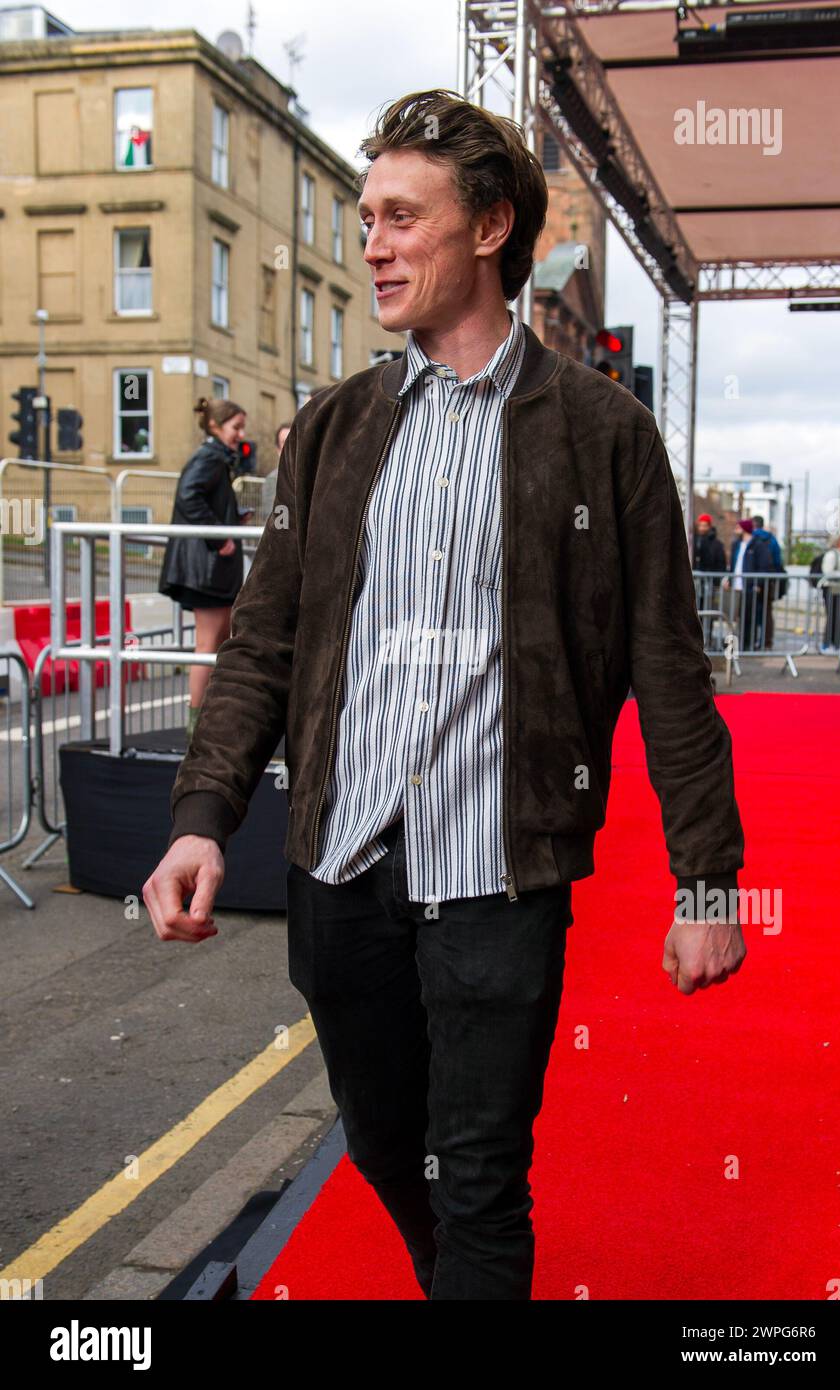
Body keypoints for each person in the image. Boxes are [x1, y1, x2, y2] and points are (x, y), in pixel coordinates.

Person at [143, 89, 746, 1301]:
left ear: (488, 227)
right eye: (365, 216)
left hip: (498, 876)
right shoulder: (331, 430)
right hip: (342, 862)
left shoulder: (602, 436)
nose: (370, 241)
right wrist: (201, 816)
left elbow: (666, 667)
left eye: (400, 216)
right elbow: (261, 640)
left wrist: (706, 880)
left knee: (478, 1175)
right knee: (379, 1143)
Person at [157, 396, 255, 739]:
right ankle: (197, 723)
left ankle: (207, 718)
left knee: (217, 642)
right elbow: (188, 496)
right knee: (208, 644)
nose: (240, 435)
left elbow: (196, 498)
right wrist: (218, 538)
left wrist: (231, 519)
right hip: (207, 569)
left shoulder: (215, 457)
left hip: (208, 568)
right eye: (236, 427)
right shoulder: (211, 457)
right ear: (216, 425)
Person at [723, 518, 772, 651]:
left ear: (744, 529)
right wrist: (729, 579)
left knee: (749, 617)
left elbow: (764, 566)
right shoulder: (736, 545)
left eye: (738, 528)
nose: (735, 530)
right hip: (737, 586)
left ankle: (747, 644)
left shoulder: (758, 545)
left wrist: (757, 583)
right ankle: (738, 642)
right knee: (737, 617)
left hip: (750, 587)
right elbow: (733, 565)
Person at [692, 512, 727, 647]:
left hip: (709, 583)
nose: (702, 528)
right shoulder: (693, 540)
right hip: (695, 582)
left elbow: (721, 564)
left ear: (709, 526)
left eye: (704, 525)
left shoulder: (716, 544)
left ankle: (707, 637)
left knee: (707, 610)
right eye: (700, 525)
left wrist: (717, 581)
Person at [750, 514, 784, 648]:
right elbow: (778, 561)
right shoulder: (772, 539)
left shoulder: (750, 538)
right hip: (768, 580)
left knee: (750, 611)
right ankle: (767, 641)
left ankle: (750, 642)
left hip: (751, 579)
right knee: (766, 612)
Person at [818, 533, 840, 654]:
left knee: (839, 618)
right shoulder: (832, 555)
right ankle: (827, 644)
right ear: (838, 541)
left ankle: (835, 644)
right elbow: (828, 572)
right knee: (832, 617)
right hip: (832, 590)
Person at [260, 420, 293, 519]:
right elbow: (278, 522)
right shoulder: (274, 480)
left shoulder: (314, 476)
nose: (290, 446)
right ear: (278, 450)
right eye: (284, 442)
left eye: (293, 440)